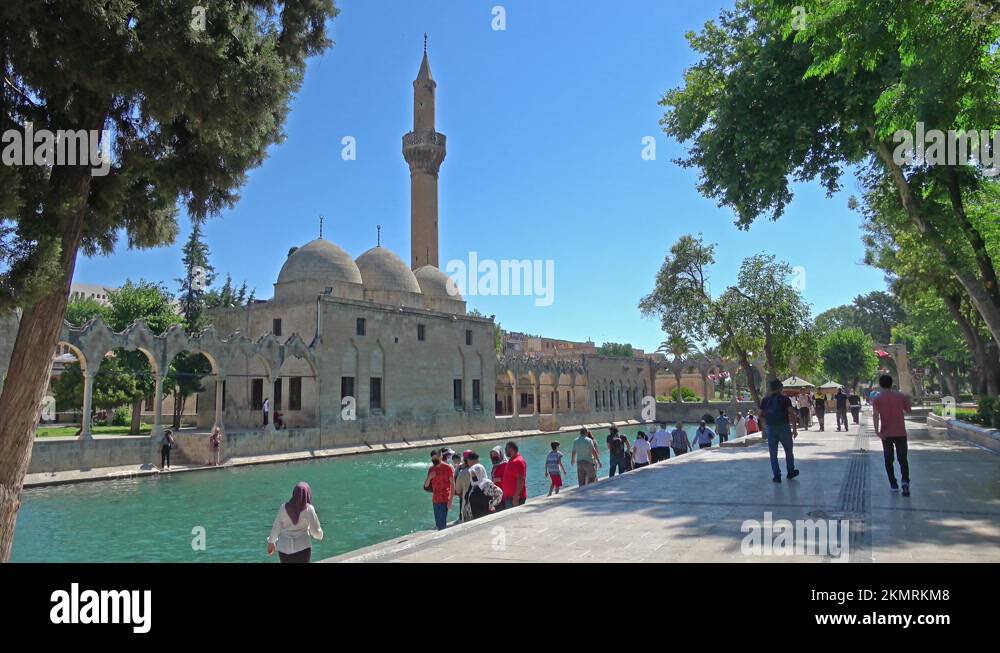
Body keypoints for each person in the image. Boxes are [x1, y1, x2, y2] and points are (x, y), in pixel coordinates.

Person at [871, 374, 913, 496]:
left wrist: (876, 431)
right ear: (891, 383)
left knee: (888, 459)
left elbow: (875, 415)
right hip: (900, 432)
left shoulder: (877, 399)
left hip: (886, 434)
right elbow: (908, 411)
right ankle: (905, 482)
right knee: (903, 459)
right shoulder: (900, 396)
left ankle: (893, 484)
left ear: (880, 384)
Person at [266, 482, 324, 563]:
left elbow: (276, 527)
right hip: (303, 548)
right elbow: (315, 531)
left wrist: (271, 542)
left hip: (284, 549)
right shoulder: (309, 509)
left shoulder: (284, 508)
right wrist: (320, 535)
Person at [759, 379, 799, 482]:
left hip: (771, 428)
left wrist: (765, 428)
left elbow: (760, 415)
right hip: (784, 427)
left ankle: (777, 476)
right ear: (780, 388)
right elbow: (791, 414)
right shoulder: (785, 399)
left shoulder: (765, 400)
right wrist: (794, 429)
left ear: (771, 389)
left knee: (773, 454)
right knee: (788, 451)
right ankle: (790, 472)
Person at [463, 452, 504, 521]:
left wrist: (491, 504)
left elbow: (499, 493)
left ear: (480, 472)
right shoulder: (473, 486)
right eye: (472, 474)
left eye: (474, 474)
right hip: (475, 519)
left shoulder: (487, 485)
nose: (473, 476)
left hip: (487, 519)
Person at [424, 448, 454, 530]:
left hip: (445, 498)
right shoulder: (431, 469)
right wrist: (430, 477)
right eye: (433, 458)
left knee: (442, 523)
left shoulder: (448, 468)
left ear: (441, 456)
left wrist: (451, 500)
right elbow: (426, 486)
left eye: (436, 458)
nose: (434, 460)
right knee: (438, 523)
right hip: (435, 499)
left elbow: (452, 484)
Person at [502, 442, 527, 508]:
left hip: (514, 498)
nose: (505, 451)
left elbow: (520, 480)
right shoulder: (512, 460)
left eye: (506, 449)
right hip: (510, 497)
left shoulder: (518, 461)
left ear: (511, 449)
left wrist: (516, 496)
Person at [453, 451, 474, 525]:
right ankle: (461, 517)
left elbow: (455, 478)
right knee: (463, 503)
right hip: (465, 490)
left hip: (464, 490)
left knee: (464, 504)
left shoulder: (460, 467)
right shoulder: (460, 467)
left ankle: (462, 517)